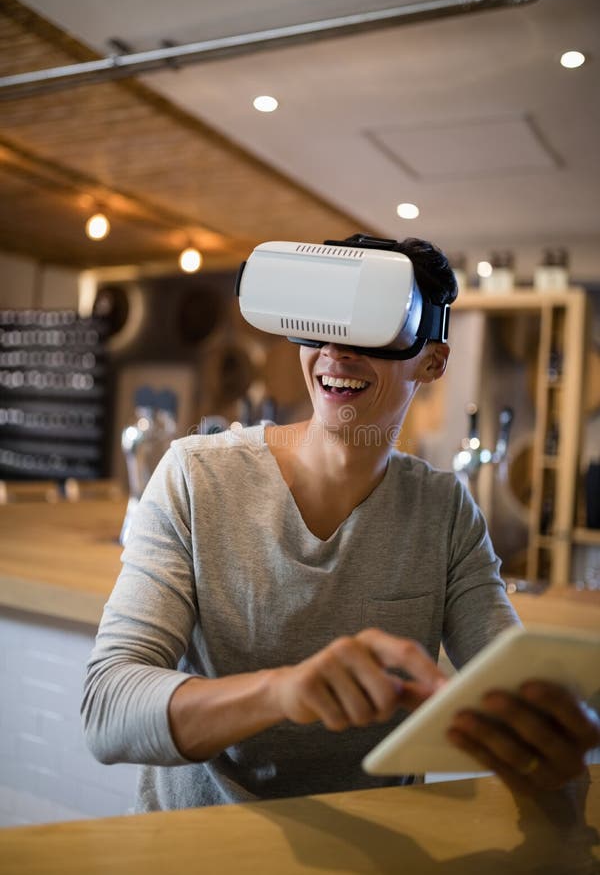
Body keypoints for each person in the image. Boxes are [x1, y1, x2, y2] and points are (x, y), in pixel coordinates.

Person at [82, 236, 599, 812]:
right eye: (326, 321)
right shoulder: (196, 477)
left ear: (432, 359)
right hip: (203, 844)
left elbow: (512, 682)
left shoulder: (444, 514)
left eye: (372, 327)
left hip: (376, 848)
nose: (336, 349)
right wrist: (282, 691)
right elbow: (109, 709)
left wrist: (550, 730)